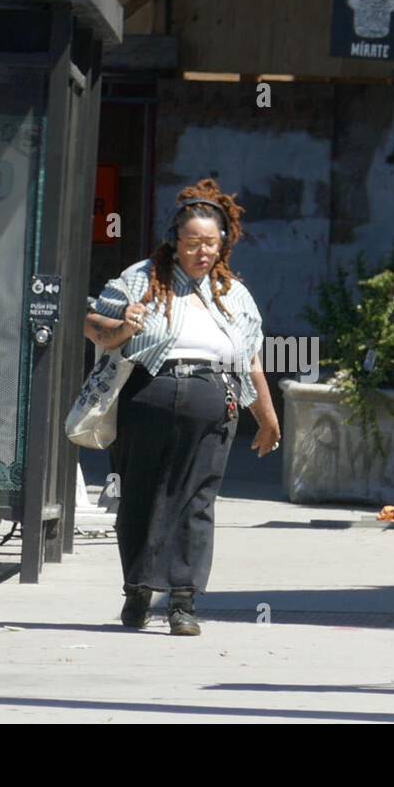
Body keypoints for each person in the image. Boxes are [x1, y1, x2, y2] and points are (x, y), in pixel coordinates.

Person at [83, 179, 282, 636]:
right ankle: (136, 589)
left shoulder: (235, 294)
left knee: (197, 501)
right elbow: (93, 325)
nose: (202, 252)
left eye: (211, 243)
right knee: (139, 496)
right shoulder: (139, 280)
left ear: (223, 243)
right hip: (148, 397)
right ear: (175, 242)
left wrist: (267, 418)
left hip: (213, 402)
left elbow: (249, 358)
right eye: (193, 243)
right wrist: (122, 325)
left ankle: (182, 602)